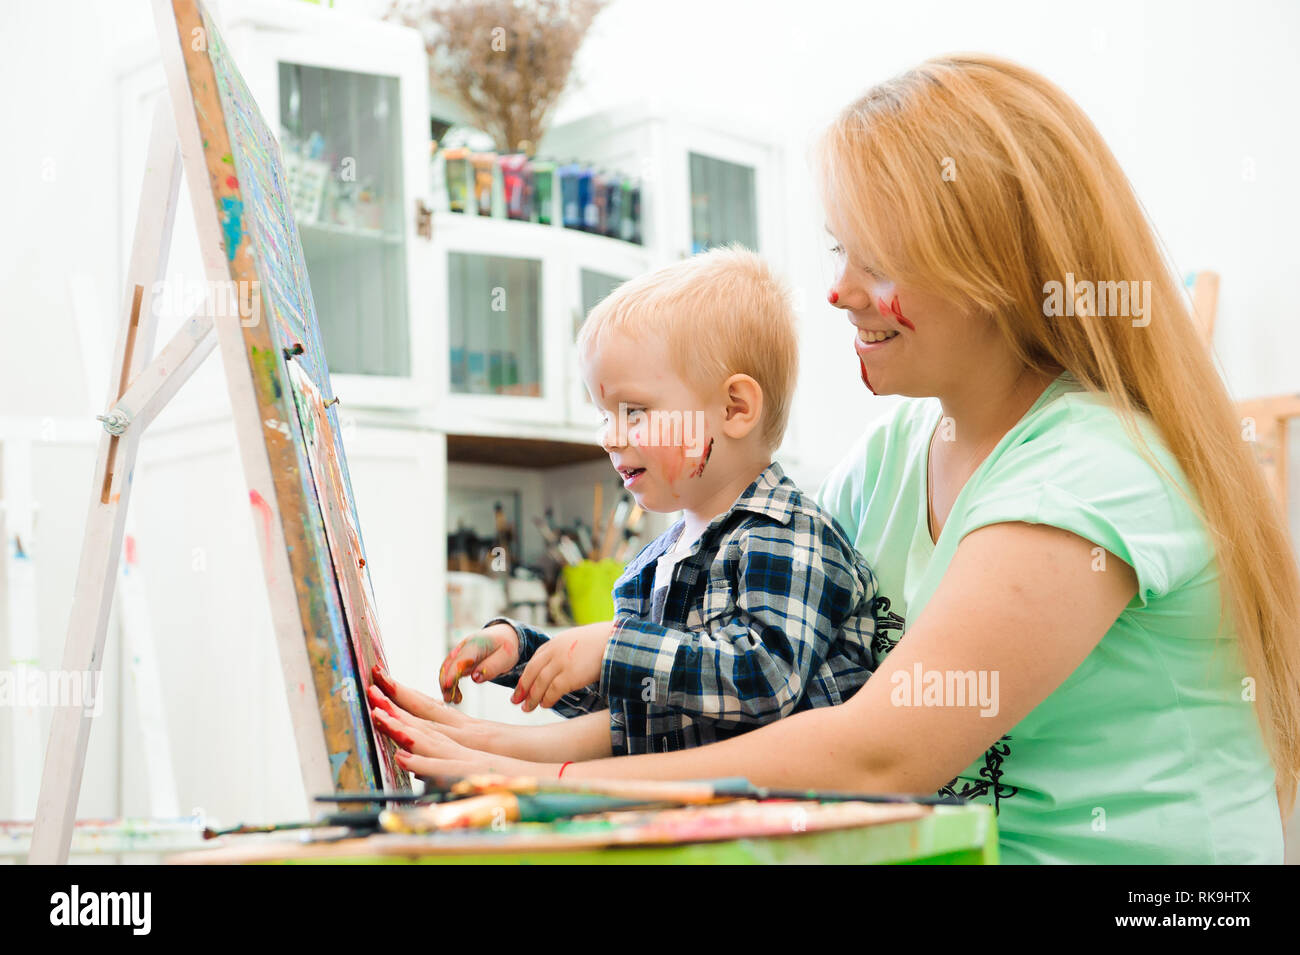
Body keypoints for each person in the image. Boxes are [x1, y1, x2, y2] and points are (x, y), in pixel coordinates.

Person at [372, 55, 1300, 863]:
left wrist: (551, 783)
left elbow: (878, 751)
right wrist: (502, 749)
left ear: (993, 270)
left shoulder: (1096, 466)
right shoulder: (891, 458)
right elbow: (752, 707)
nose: (838, 289)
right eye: (838, 250)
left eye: (877, 259)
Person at [373, 246, 879, 761]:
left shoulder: (787, 534)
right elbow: (631, 707)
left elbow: (764, 680)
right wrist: (527, 655)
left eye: (633, 411)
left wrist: (613, 645)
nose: (610, 438)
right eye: (604, 415)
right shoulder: (653, 564)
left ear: (734, 408)